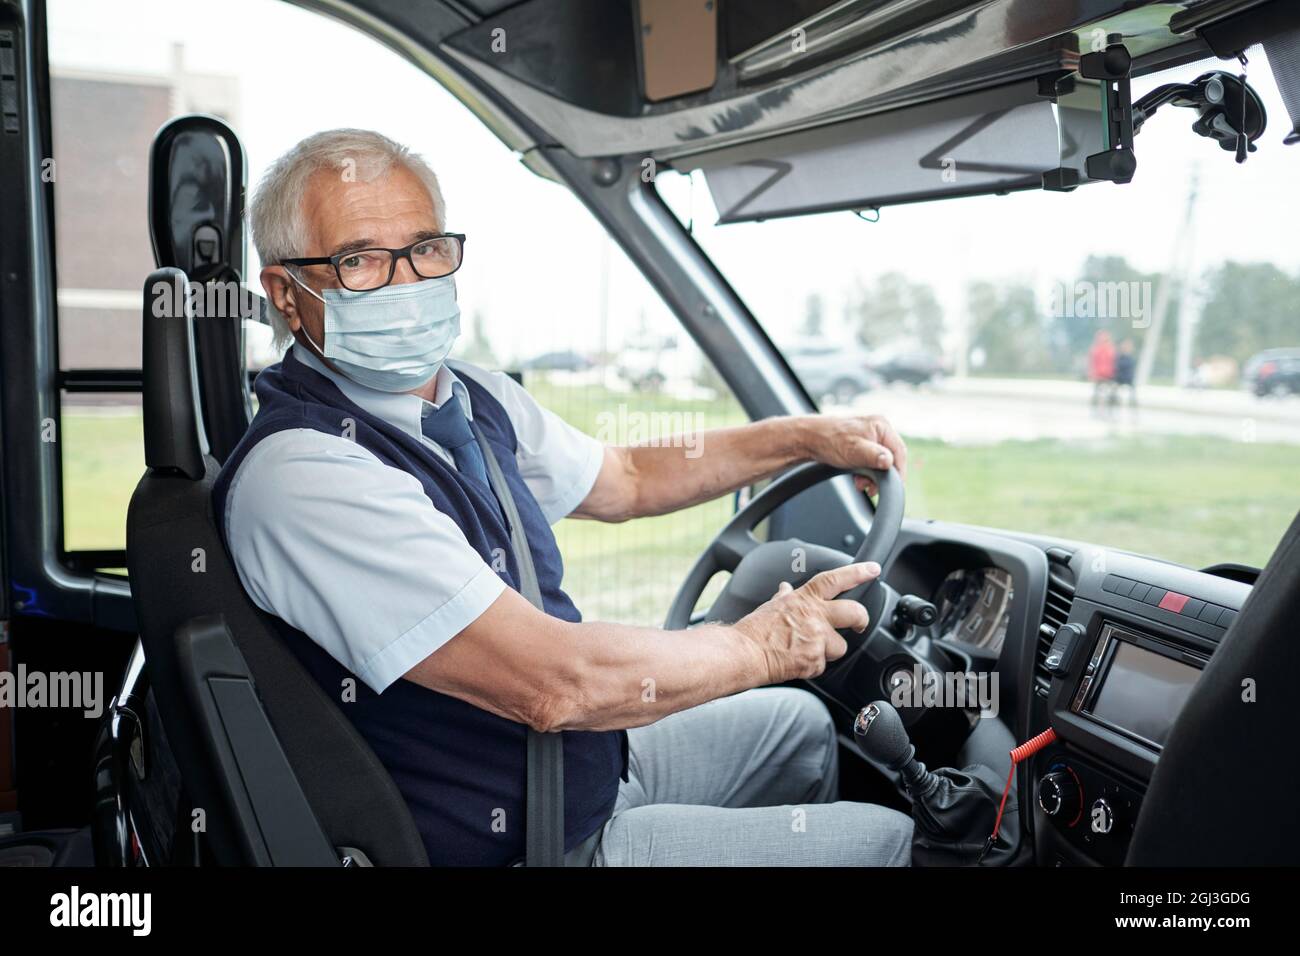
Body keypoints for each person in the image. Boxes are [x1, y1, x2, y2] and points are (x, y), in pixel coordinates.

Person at [214, 129, 914, 866]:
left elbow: (629, 477)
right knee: (888, 843)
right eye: (359, 260)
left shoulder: (471, 396)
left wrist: (801, 439)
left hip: (586, 765)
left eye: (424, 249)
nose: (406, 284)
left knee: (799, 730)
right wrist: (757, 645)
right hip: (525, 839)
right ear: (288, 294)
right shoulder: (305, 475)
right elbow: (557, 683)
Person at [1088, 329, 1116, 410]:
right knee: (1097, 393)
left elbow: (1113, 363)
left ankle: (1110, 409)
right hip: (1099, 376)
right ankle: (1095, 409)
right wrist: (1093, 375)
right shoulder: (1095, 350)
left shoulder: (1111, 350)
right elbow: (1092, 363)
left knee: (1111, 392)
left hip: (1109, 376)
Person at [1114, 338, 1137, 407]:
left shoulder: (1130, 358)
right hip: (1120, 379)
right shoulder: (1120, 357)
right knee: (1113, 392)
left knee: (1131, 394)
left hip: (1128, 379)